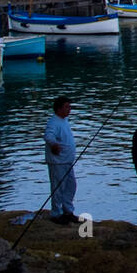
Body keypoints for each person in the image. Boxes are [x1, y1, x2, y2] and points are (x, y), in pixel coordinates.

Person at [43, 96, 78, 224]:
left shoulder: (64, 120)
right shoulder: (53, 122)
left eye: (69, 106)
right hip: (58, 162)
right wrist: (54, 144)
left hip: (67, 161)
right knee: (58, 188)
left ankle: (68, 211)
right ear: (58, 109)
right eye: (66, 107)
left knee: (71, 186)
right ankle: (56, 214)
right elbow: (48, 136)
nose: (69, 109)